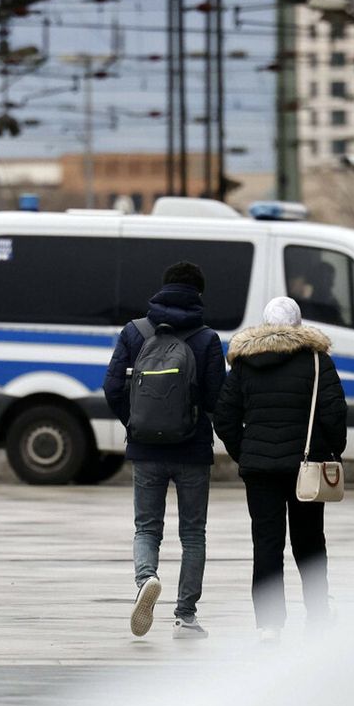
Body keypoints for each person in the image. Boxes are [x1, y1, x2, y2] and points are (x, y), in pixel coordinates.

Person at [103, 261, 227, 639]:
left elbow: (111, 388)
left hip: (146, 449)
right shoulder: (206, 339)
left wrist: (135, 423)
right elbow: (216, 399)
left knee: (146, 527)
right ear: (198, 294)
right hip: (192, 450)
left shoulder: (135, 332)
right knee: (193, 533)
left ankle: (147, 578)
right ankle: (185, 617)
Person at [214, 295, 347, 640]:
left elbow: (225, 416)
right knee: (310, 542)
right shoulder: (317, 362)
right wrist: (333, 451)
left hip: (259, 472)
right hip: (305, 467)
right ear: (298, 325)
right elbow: (334, 414)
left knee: (267, 544)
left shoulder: (243, 364)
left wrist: (245, 453)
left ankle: (269, 625)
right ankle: (317, 614)